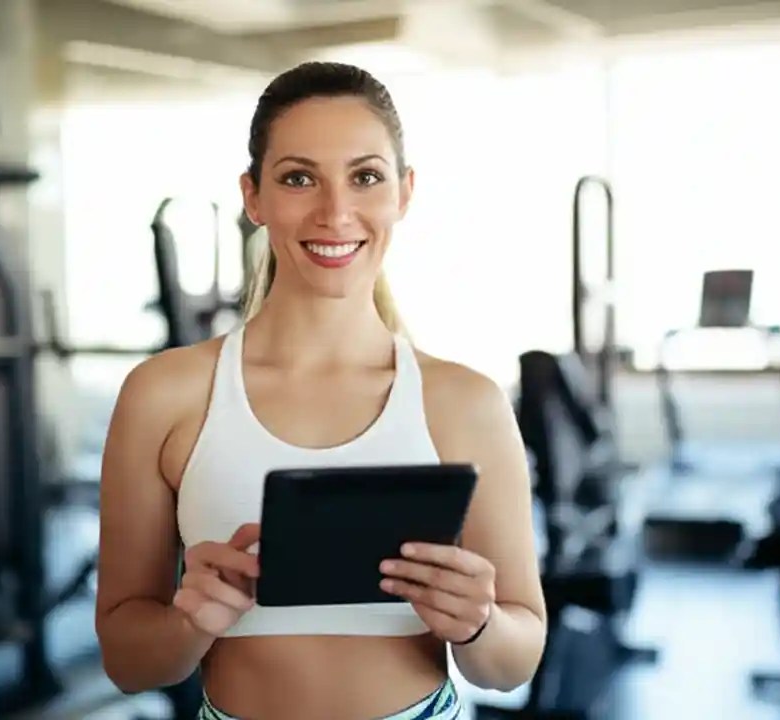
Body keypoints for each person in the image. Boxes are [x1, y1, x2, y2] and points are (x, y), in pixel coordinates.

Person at [95, 61, 546, 720]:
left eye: (365, 177)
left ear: (404, 193)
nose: (336, 213)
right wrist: (191, 624)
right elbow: (129, 662)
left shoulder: (466, 402)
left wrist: (477, 623)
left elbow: (514, 663)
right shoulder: (164, 396)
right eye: (299, 178)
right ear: (254, 197)